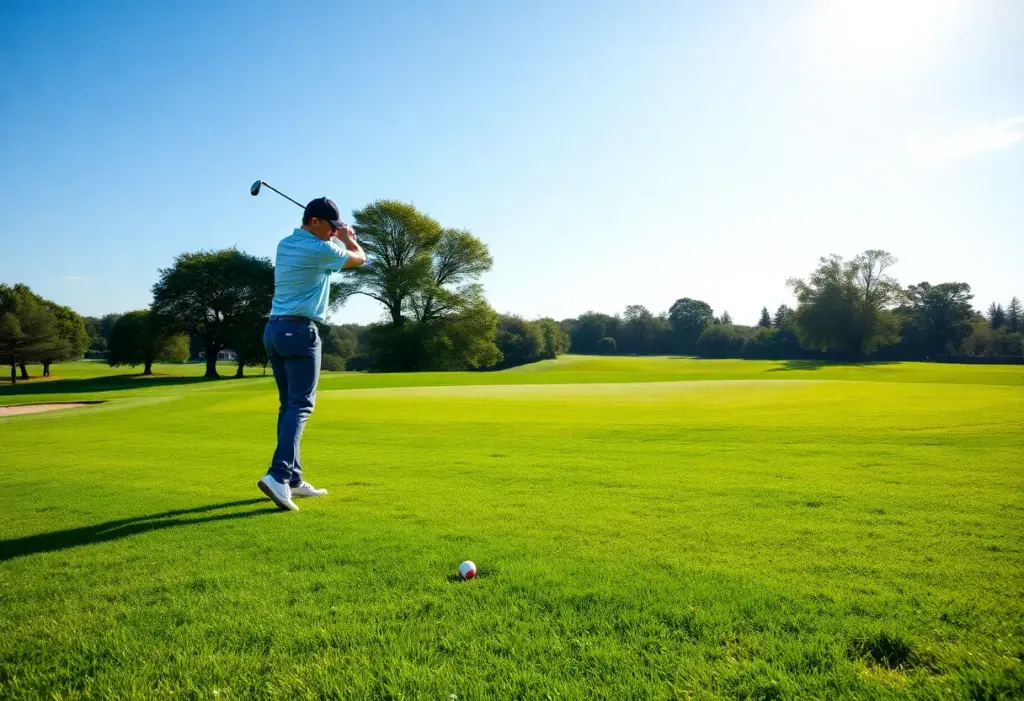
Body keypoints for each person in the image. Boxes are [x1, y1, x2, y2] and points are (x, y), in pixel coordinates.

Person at [257, 196, 366, 511]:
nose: (333, 233)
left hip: (274, 332)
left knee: (287, 406)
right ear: (314, 221)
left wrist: (338, 238)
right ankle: (278, 476)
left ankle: (293, 479)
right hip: (301, 333)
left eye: (336, 229)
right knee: (301, 406)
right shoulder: (322, 249)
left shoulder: (285, 244)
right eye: (330, 227)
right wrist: (350, 239)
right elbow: (360, 260)